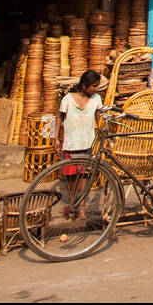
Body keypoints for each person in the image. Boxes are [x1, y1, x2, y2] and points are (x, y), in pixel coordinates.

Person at [56, 70, 102, 218]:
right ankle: (72, 201)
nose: (95, 89)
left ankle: (81, 205)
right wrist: (56, 137)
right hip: (71, 143)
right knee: (70, 176)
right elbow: (60, 117)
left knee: (83, 174)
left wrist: (102, 137)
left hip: (87, 142)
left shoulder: (96, 99)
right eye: (93, 86)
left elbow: (99, 119)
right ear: (84, 85)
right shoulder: (68, 99)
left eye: (97, 86)